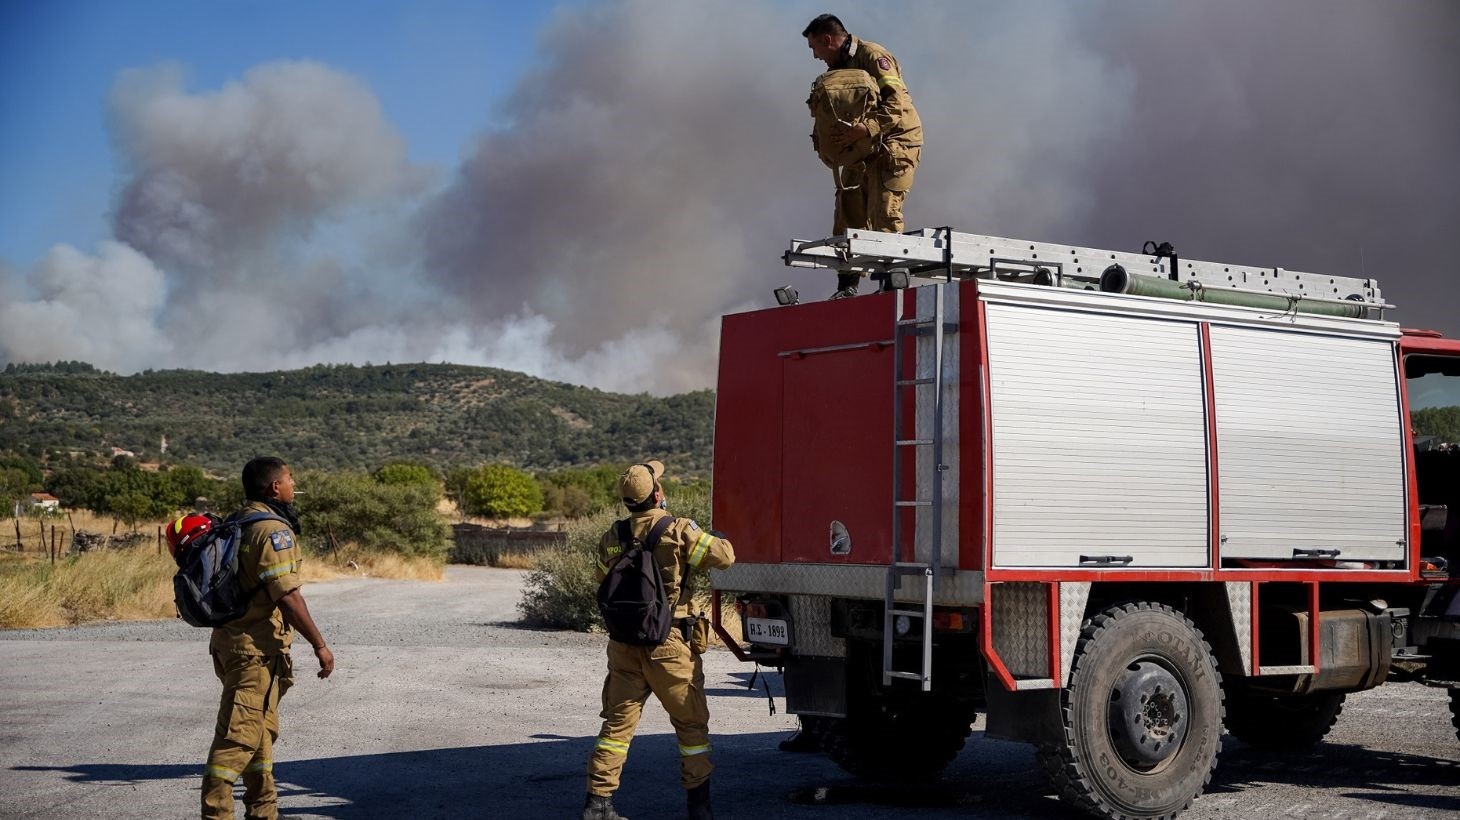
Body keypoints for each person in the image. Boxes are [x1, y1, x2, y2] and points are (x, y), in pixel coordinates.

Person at [583, 460, 736, 820]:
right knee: (692, 729)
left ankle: (597, 805)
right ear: (657, 493)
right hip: (670, 645)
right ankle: (699, 809)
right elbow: (725, 557)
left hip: (625, 645)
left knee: (615, 730)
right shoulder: (678, 529)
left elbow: (600, 576)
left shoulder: (613, 536)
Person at [201, 457, 334, 820]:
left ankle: (264, 813)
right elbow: (287, 596)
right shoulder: (273, 531)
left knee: (259, 737)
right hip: (253, 652)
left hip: (231, 645)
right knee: (235, 743)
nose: (294, 484)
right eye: (291, 478)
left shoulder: (237, 521)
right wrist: (319, 644)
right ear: (275, 486)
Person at [803, 13, 924, 299]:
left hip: (895, 142)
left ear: (827, 40)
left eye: (814, 48)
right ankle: (847, 286)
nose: (815, 56)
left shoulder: (873, 56)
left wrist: (865, 128)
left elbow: (897, 103)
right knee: (848, 207)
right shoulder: (838, 71)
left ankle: (891, 285)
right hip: (863, 147)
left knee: (883, 212)